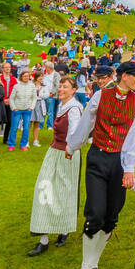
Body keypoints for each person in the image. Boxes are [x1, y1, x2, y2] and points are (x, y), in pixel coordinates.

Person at [64, 61, 135, 269]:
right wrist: (72, 145)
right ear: (122, 76)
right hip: (98, 158)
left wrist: (130, 166)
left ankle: (94, 264)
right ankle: (84, 267)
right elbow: (86, 123)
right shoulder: (100, 96)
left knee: (111, 216)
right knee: (95, 213)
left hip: (120, 162)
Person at [28, 77, 84, 255]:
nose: (61, 89)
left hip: (67, 154)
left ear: (74, 90)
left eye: (65, 87)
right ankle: (43, 238)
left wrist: (70, 148)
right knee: (43, 189)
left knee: (64, 192)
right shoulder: (62, 106)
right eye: (60, 86)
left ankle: (64, 229)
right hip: (54, 152)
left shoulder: (74, 108)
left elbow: (76, 132)